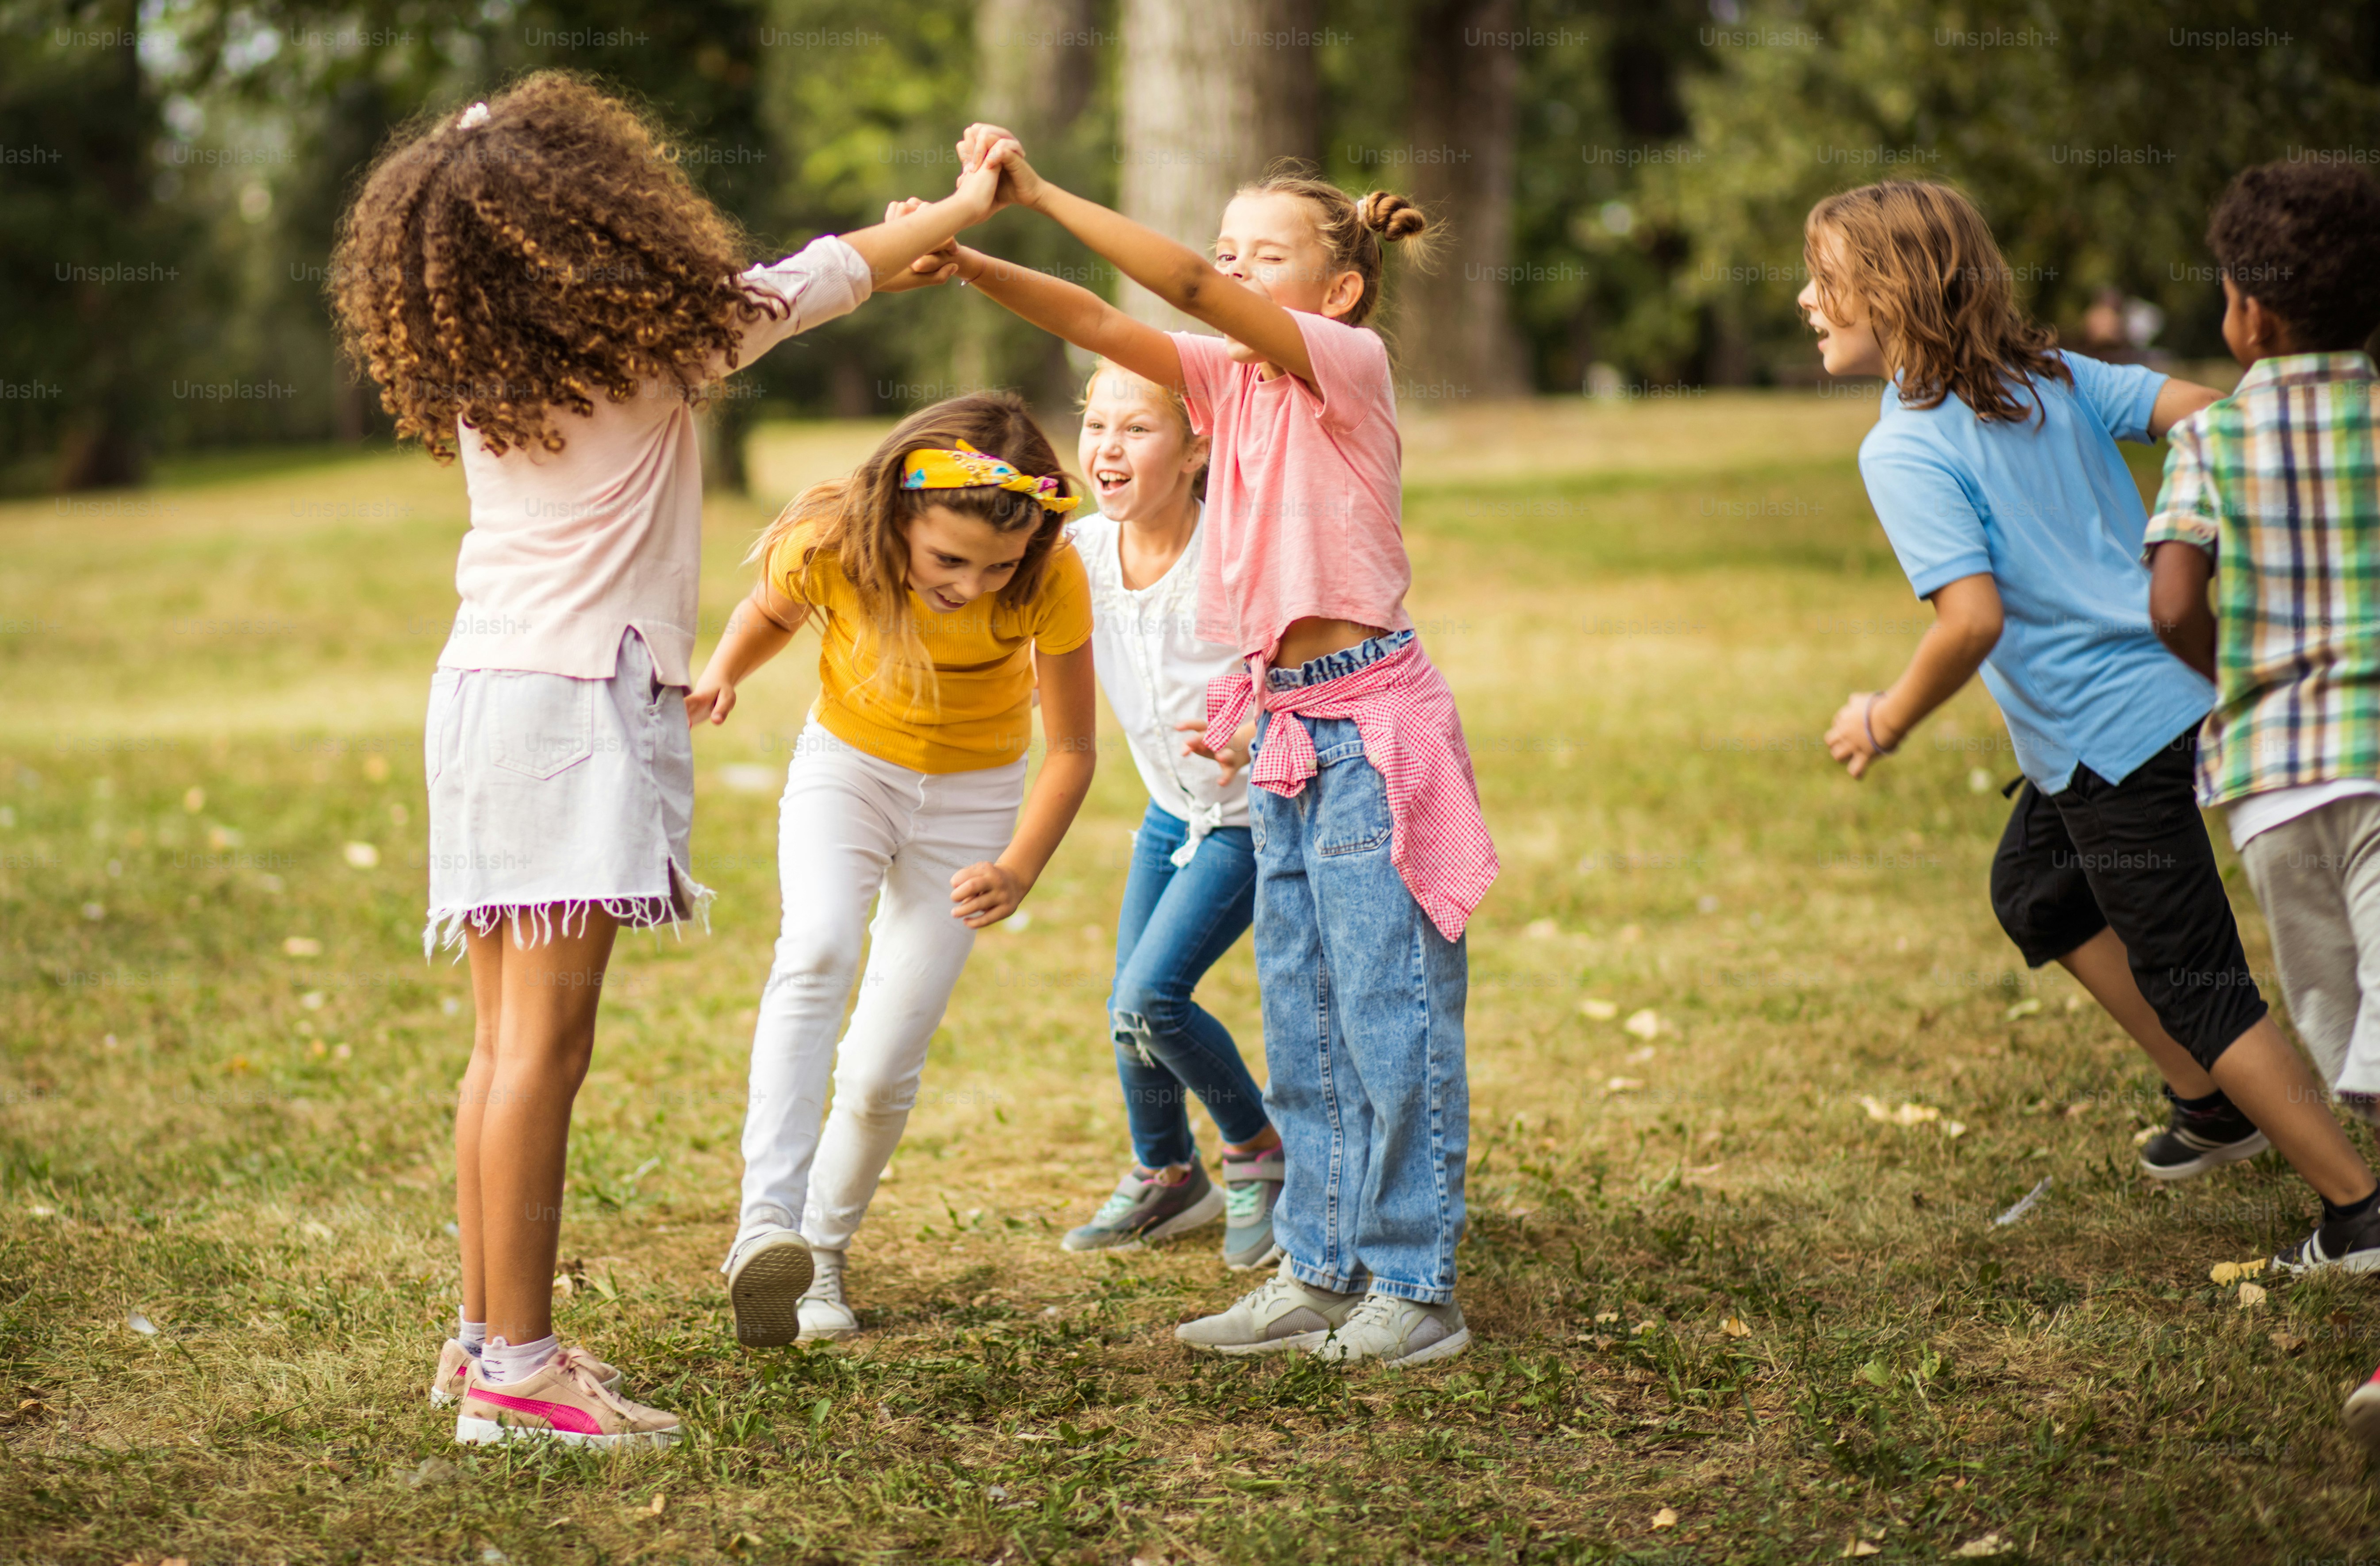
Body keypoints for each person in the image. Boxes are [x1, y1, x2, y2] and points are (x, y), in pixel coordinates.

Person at [328, 73, 995, 1446]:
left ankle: (481, 1345)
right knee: (542, 1055)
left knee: (503, 1048)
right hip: (575, 713)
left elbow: (809, 285)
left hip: (485, 696)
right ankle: (519, 1366)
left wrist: (897, 259)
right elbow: (806, 280)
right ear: (596, 216)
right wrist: (972, 202)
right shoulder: (651, 344)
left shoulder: (494, 370)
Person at [919, 126, 1497, 1365]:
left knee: (1388, 1017)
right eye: (1226, 248)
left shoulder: (1344, 364)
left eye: (1259, 257)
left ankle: (1416, 1284)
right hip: (1283, 730)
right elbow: (1091, 315)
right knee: (1304, 1016)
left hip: (1363, 725)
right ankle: (1321, 1263)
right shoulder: (1223, 387)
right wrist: (971, 262)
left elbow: (1179, 287)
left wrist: (1042, 187)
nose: (1228, 270)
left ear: (1334, 289)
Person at [1801, 179, 2380, 1273]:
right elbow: (2214, 418)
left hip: (2113, 740)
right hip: (2149, 714)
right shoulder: (2052, 376)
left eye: (1824, 282)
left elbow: (1968, 623)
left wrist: (1882, 718)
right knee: (2037, 890)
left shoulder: (1902, 447)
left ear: (1890, 292)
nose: (1802, 299)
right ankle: (2212, 1105)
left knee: (2197, 979)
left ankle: (2356, 1210)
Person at [693, 393, 1097, 1347]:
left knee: (881, 1069)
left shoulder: (1051, 572)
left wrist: (1020, 867)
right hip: (849, 771)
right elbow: (770, 610)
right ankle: (766, 1226)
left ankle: (820, 1255)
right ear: (899, 514)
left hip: (974, 802)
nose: (974, 582)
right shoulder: (831, 541)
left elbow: (1074, 747)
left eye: (997, 564)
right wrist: (722, 672)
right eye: (949, 558)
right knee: (818, 950)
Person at [2130, 162, 2380, 1441]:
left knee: (2356, 1048)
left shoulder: (2209, 437)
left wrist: (2236, 675)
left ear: (2244, 313)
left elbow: (2171, 602)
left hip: (2278, 783)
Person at [1058, 360, 1284, 1270]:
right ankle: (1166, 1175)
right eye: (1095, 425)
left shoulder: (1232, 551)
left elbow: (1295, 668)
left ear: (1197, 448)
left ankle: (1257, 1150)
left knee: (1150, 998)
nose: (1106, 448)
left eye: (1135, 429)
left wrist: (1251, 731)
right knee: (1125, 1012)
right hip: (1168, 814)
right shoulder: (1074, 553)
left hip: (1250, 818)